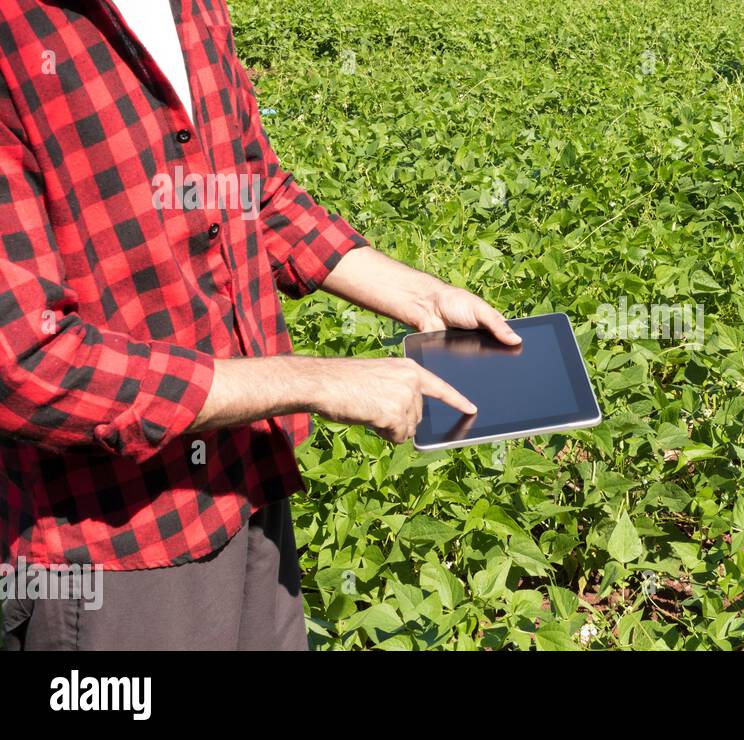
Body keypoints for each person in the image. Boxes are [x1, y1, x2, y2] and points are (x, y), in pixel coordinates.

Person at [0, 0, 516, 649]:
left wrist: (424, 298)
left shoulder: (192, 6)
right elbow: (27, 367)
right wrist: (314, 381)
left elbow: (255, 193)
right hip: (121, 546)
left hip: (248, 485)